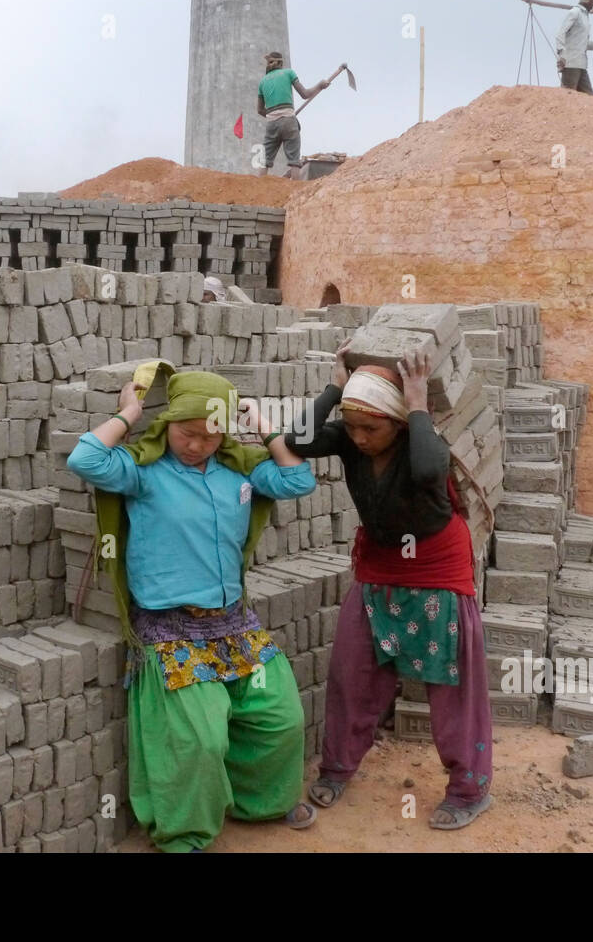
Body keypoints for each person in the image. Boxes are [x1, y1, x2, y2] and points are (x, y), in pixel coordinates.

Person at [66, 368, 320, 852]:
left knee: (280, 717)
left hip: (234, 625)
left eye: (210, 436)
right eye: (187, 433)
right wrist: (129, 412)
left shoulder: (241, 472)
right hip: (170, 630)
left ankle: (259, 802)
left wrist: (263, 426)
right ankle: (185, 832)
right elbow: (86, 457)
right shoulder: (143, 473)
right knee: (200, 740)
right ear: (168, 425)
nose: (197, 445)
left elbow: (297, 478)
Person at [283, 344, 495, 829]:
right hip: (380, 564)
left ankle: (468, 788)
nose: (358, 438)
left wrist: (417, 402)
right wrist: (337, 387)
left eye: (371, 428)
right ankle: (338, 767)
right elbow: (295, 439)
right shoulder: (348, 439)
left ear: (399, 423)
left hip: (436, 567)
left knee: (449, 682)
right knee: (353, 669)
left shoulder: (425, 445)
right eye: (351, 425)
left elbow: (425, 472)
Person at [256, 52, 325, 180]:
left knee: (264, 160)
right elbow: (305, 94)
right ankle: (295, 191)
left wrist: (273, 114)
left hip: (271, 124)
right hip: (289, 121)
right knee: (294, 160)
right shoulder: (289, 73)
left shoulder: (262, 82)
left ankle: (258, 187)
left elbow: (260, 110)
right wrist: (320, 86)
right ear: (281, 63)